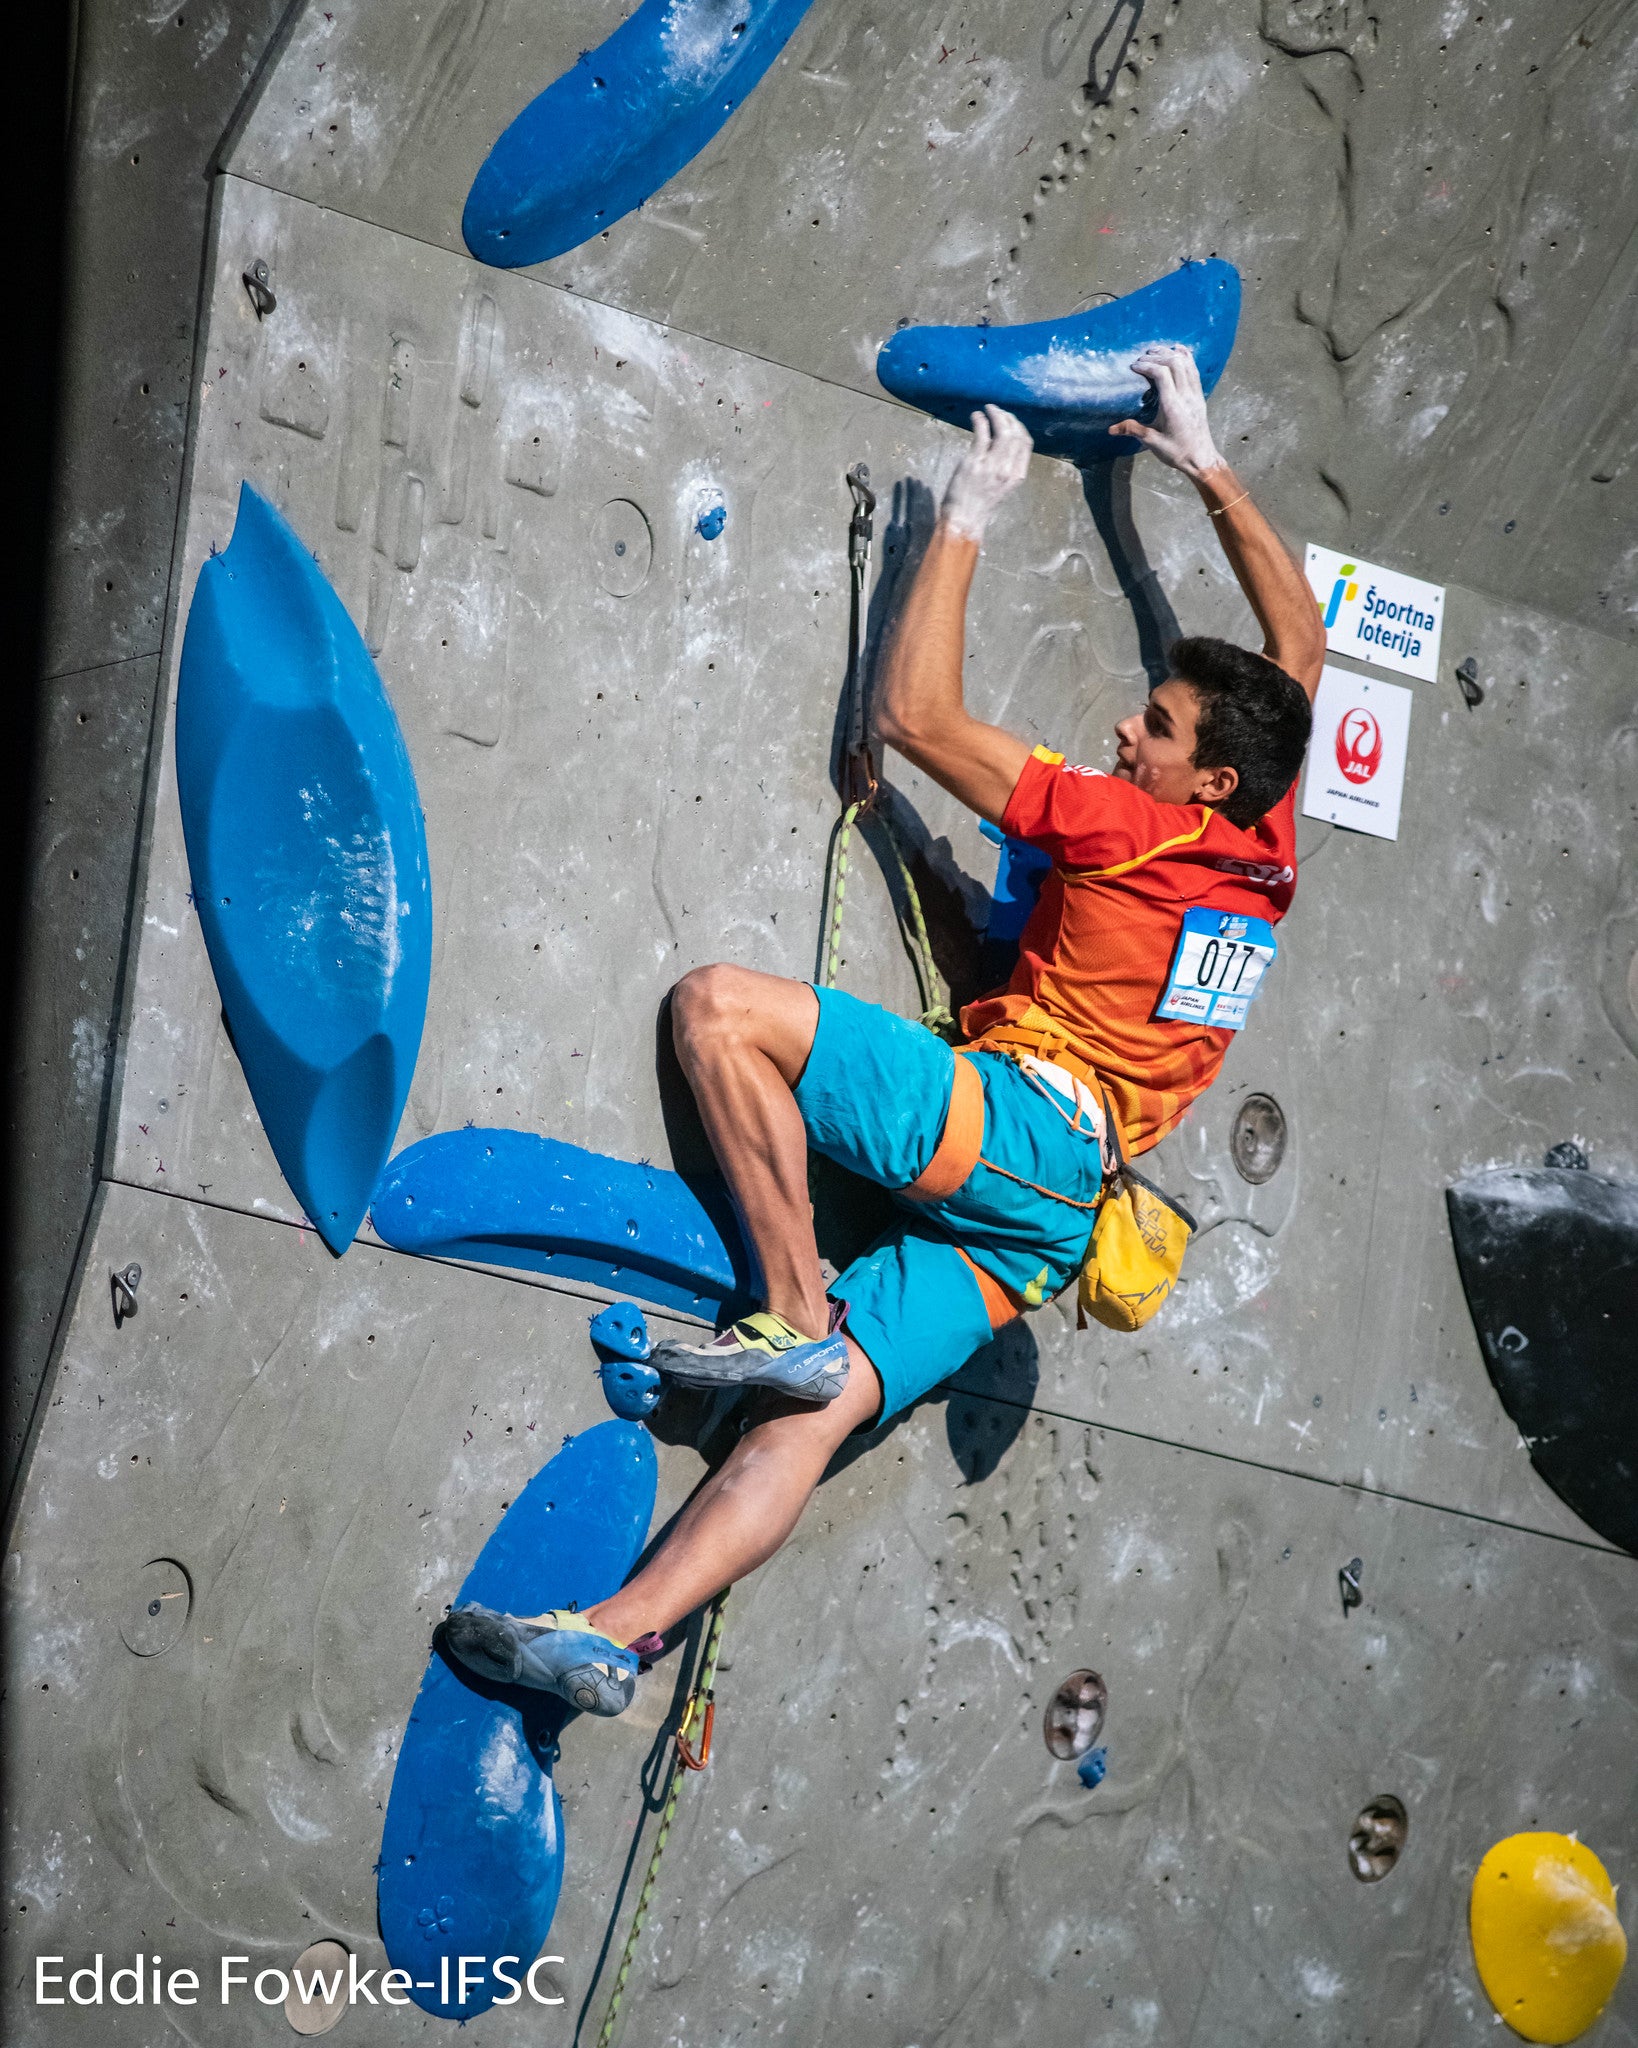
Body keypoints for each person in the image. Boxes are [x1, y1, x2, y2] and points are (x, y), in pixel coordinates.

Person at [444, 343, 1327, 1715]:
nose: (1122, 730)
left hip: (1023, 1127)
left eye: (1153, 727)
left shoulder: (1127, 825)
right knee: (811, 1416)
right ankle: (611, 1641)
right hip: (1049, 1226)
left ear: (1206, 779)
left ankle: (790, 1308)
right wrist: (1202, 461)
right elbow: (1299, 651)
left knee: (719, 1012)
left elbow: (914, 715)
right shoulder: (1263, 845)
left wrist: (965, 513)